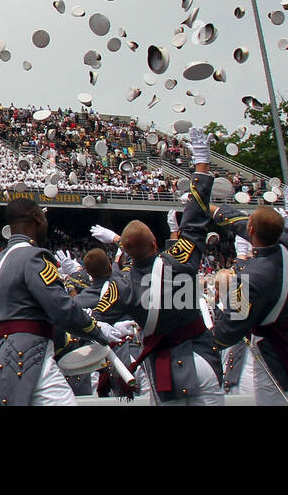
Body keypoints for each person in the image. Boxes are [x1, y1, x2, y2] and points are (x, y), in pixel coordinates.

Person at [98, 130, 223, 406]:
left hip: (163, 368)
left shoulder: (123, 285)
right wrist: (201, 163)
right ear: (156, 241)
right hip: (201, 356)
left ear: (125, 251)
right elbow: (195, 222)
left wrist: (118, 245)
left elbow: (95, 317)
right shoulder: (179, 258)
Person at [0, 199, 109, 406]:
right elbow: (62, 308)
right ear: (36, 218)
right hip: (30, 355)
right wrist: (96, 332)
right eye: (44, 218)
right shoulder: (34, 257)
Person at [212, 203, 288, 406]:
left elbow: (227, 331)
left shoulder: (246, 278)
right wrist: (212, 209)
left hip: (274, 349)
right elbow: (243, 224)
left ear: (251, 230)